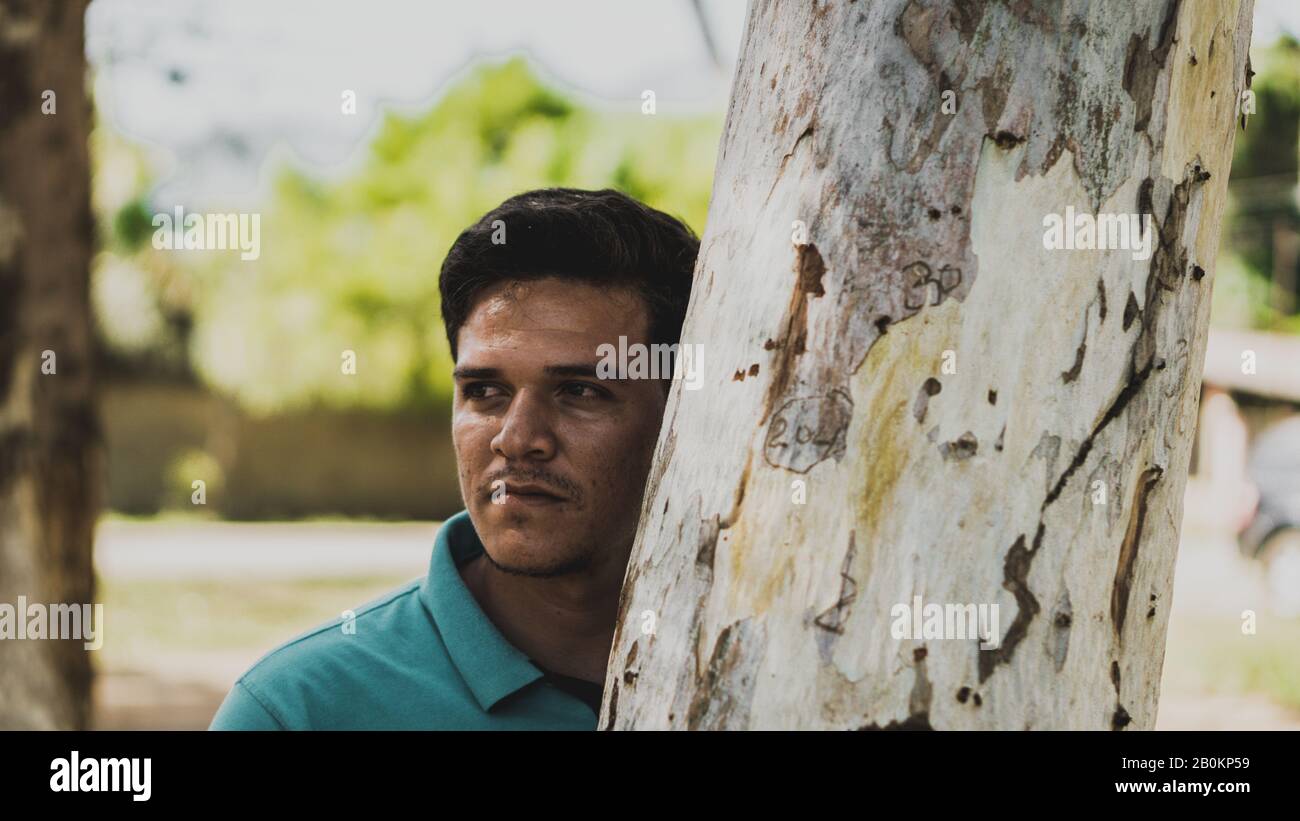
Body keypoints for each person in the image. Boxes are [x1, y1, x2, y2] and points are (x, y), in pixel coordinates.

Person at [209, 188, 698, 729]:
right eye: (485, 391)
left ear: (679, 416)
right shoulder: (298, 711)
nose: (517, 439)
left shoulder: (774, 657)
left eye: (580, 391)